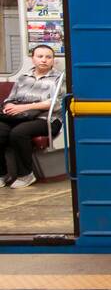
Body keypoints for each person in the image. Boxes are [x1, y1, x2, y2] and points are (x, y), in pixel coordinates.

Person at [1, 45, 64, 189]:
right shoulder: (23, 78)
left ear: (53, 60)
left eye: (48, 57)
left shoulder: (59, 79)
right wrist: (9, 107)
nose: (44, 60)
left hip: (46, 119)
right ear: (33, 59)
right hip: (19, 116)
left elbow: (55, 104)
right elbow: (10, 99)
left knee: (19, 133)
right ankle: (2, 173)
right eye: (40, 56)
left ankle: (25, 174)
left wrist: (24, 107)